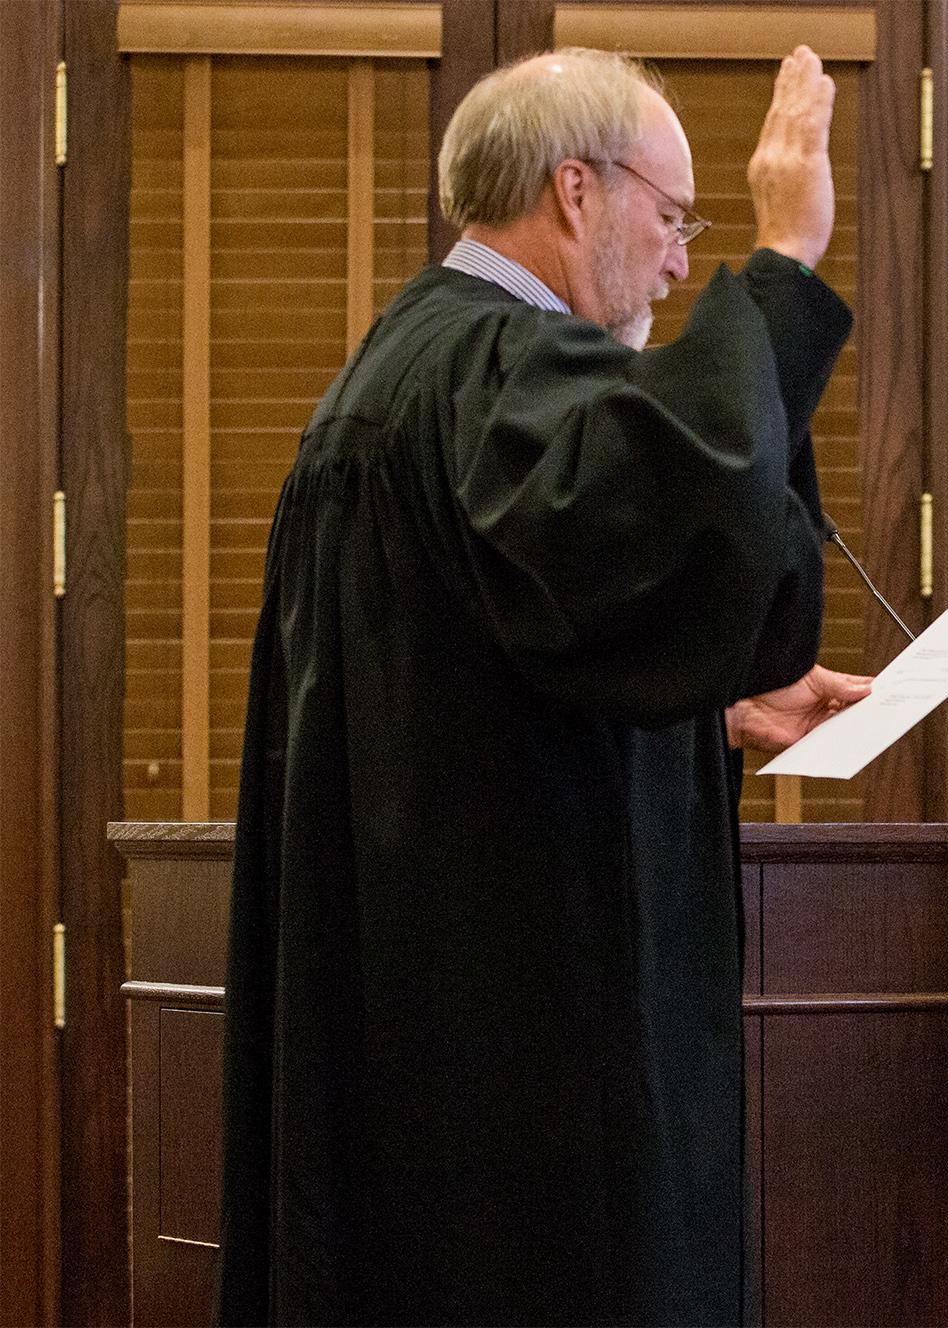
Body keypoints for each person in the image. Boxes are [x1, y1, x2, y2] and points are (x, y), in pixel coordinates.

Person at [217, 46, 868, 1326]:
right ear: (576, 191)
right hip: (513, 1063)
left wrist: (708, 704)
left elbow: (495, 654)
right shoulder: (498, 371)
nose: (683, 261)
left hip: (422, 1012)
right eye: (674, 218)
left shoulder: (407, 367)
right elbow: (677, 503)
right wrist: (785, 260)